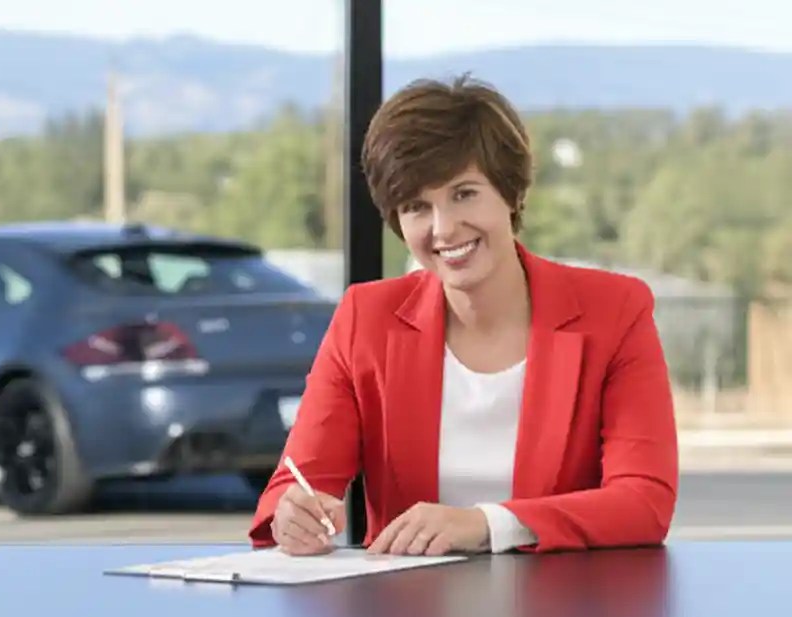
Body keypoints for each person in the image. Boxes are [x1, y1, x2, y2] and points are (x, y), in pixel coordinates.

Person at [249, 74, 678, 556]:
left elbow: (644, 501)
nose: (444, 228)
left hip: (566, 616)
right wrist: (293, 514)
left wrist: (486, 524)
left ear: (511, 192)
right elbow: (294, 485)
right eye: (416, 206)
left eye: (464, 193)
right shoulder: (365, 319)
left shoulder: (613, 312)